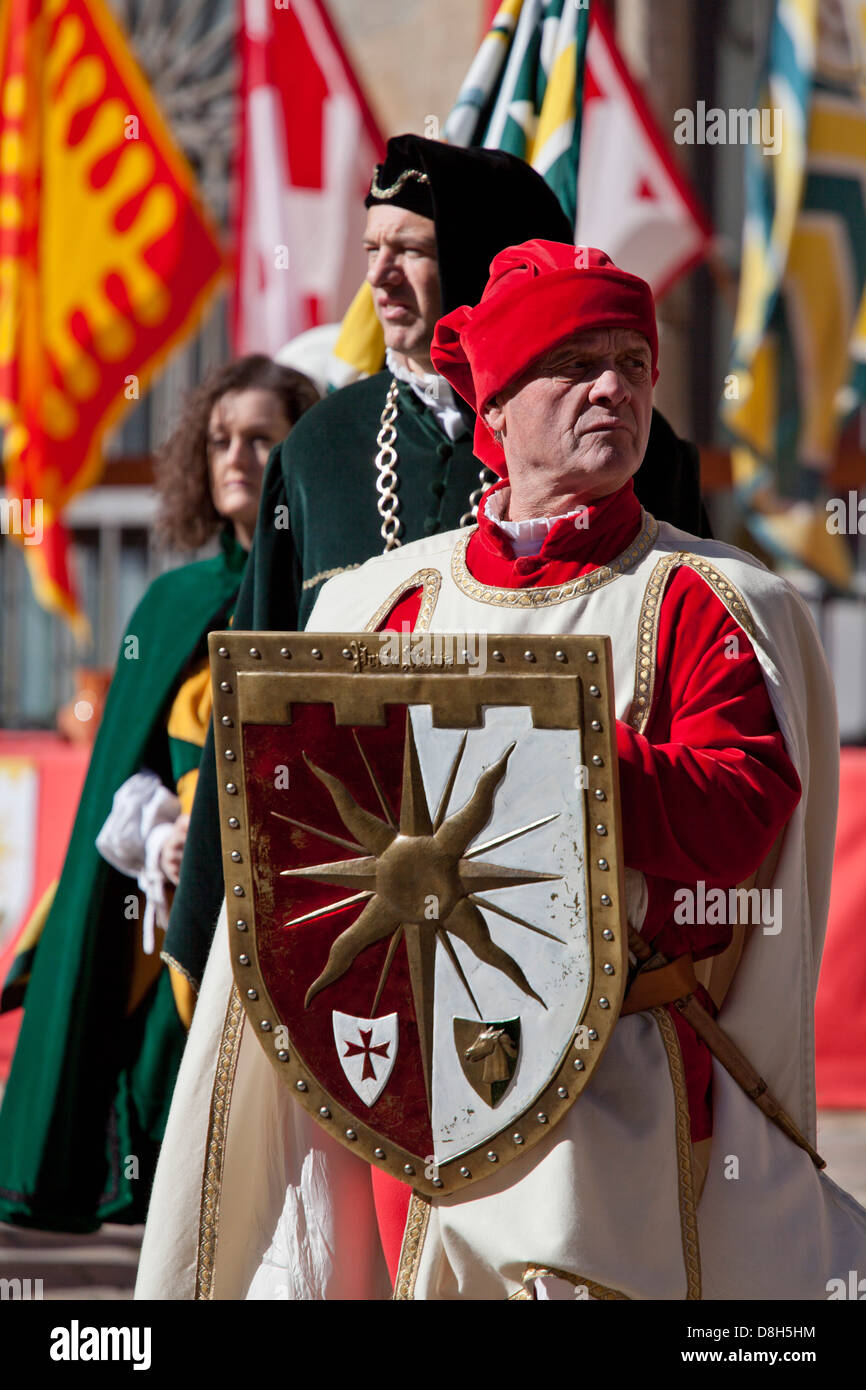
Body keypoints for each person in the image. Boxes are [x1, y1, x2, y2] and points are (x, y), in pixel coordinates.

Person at [136, 243, 865, 1300]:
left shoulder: (703, 597)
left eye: (631, 362)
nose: (613, 386)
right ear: (500, 402)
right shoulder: (378, 604)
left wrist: (527, 738)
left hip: (618, 1096)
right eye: (576, 363)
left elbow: (733, 821)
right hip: (398, 1087)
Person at [165, 133, 711, 996]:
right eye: (371, 249)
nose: (378, 278)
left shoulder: (630, 452)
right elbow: (255, 691)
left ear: (481, 262)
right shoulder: (318, 451)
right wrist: (213, 912)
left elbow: (674, 666)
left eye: (411, 251)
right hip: (346, 898)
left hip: (549, 902)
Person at [0, 356, 318, 1233]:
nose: (238, 457)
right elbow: (124, 771)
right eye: (220, 439)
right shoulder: (174, 601)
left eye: (262, 438)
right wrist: (163, 831)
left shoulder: (329, 594)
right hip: (173, 909)